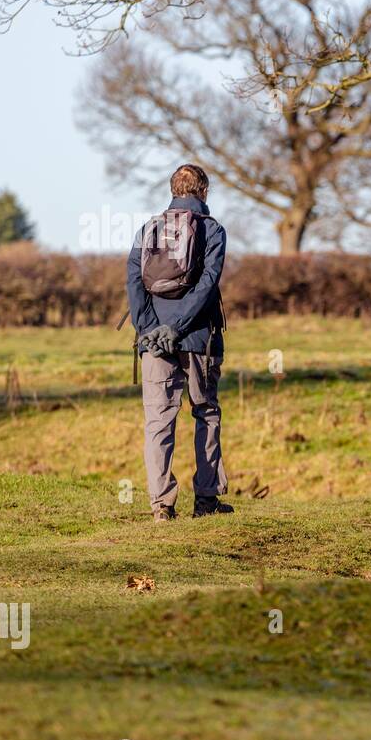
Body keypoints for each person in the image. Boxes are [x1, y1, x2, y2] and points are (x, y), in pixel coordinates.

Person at [126, 164, 230, 522]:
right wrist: (179, 326)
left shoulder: (148, 229)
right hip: (199, 339)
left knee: (158, 420)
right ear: (203, 192)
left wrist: (150, 329)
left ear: (173, 190)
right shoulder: (213, 230)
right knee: (206, 413)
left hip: (154, 342)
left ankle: (161, 507)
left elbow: (133, 283)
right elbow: (208, 284)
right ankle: (206, 501)